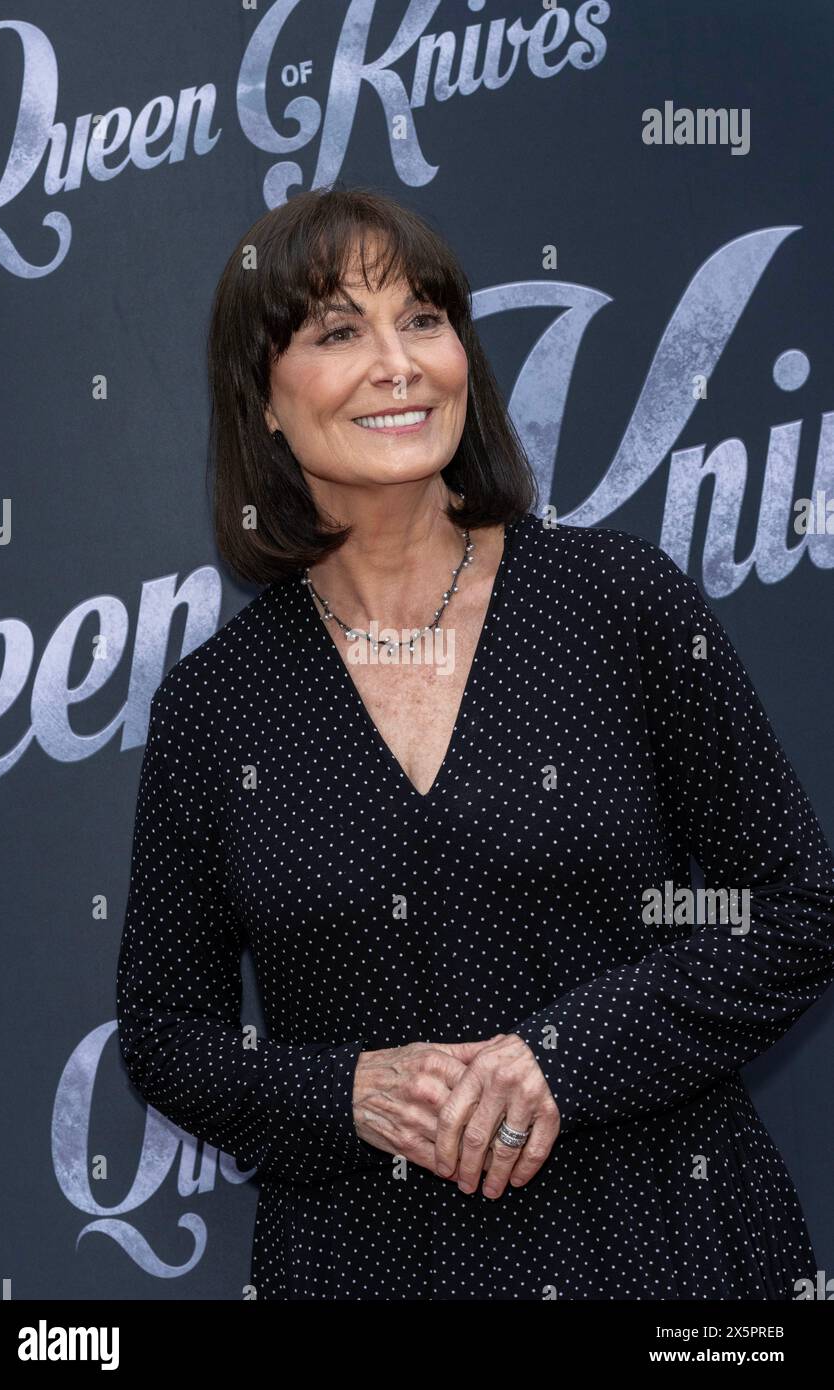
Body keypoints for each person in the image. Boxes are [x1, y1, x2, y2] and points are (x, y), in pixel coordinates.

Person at [116, 186, 834, 1300]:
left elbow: (795, 904)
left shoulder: (615, 603)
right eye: (338, 331)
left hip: (660, 1249)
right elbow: (165, 1032)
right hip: (367, 1265)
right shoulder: (214, 709)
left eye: (423, 318)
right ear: (261, 397)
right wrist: (345, 1093)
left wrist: (565, 1056)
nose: (398, 363)